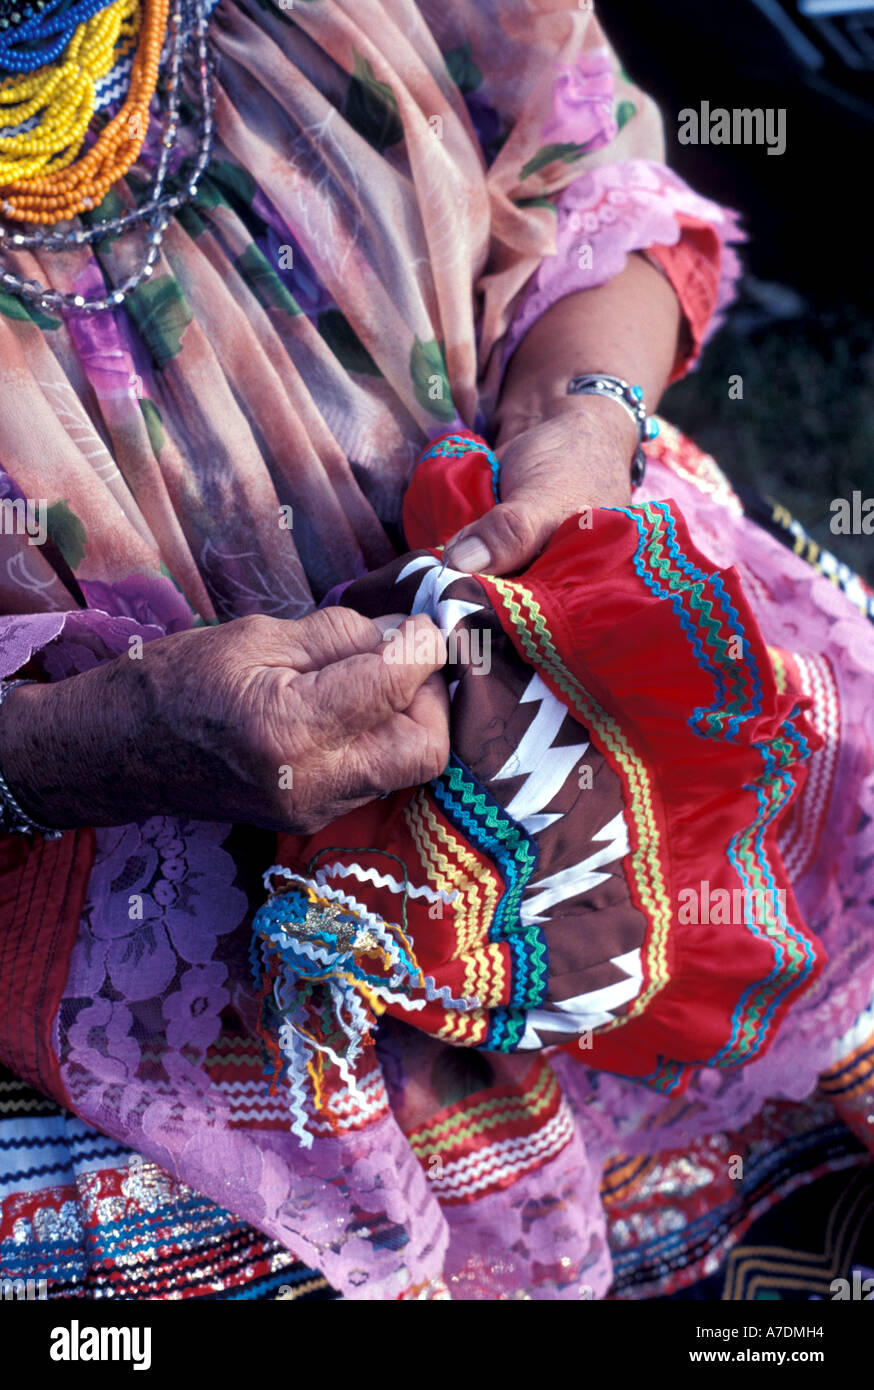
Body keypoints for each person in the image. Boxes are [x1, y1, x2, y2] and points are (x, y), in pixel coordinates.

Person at [0, 0, 871, 1301]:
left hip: (603, 723)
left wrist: (585, 418)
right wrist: (75, 752)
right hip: (152, 988)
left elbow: (588, 177)